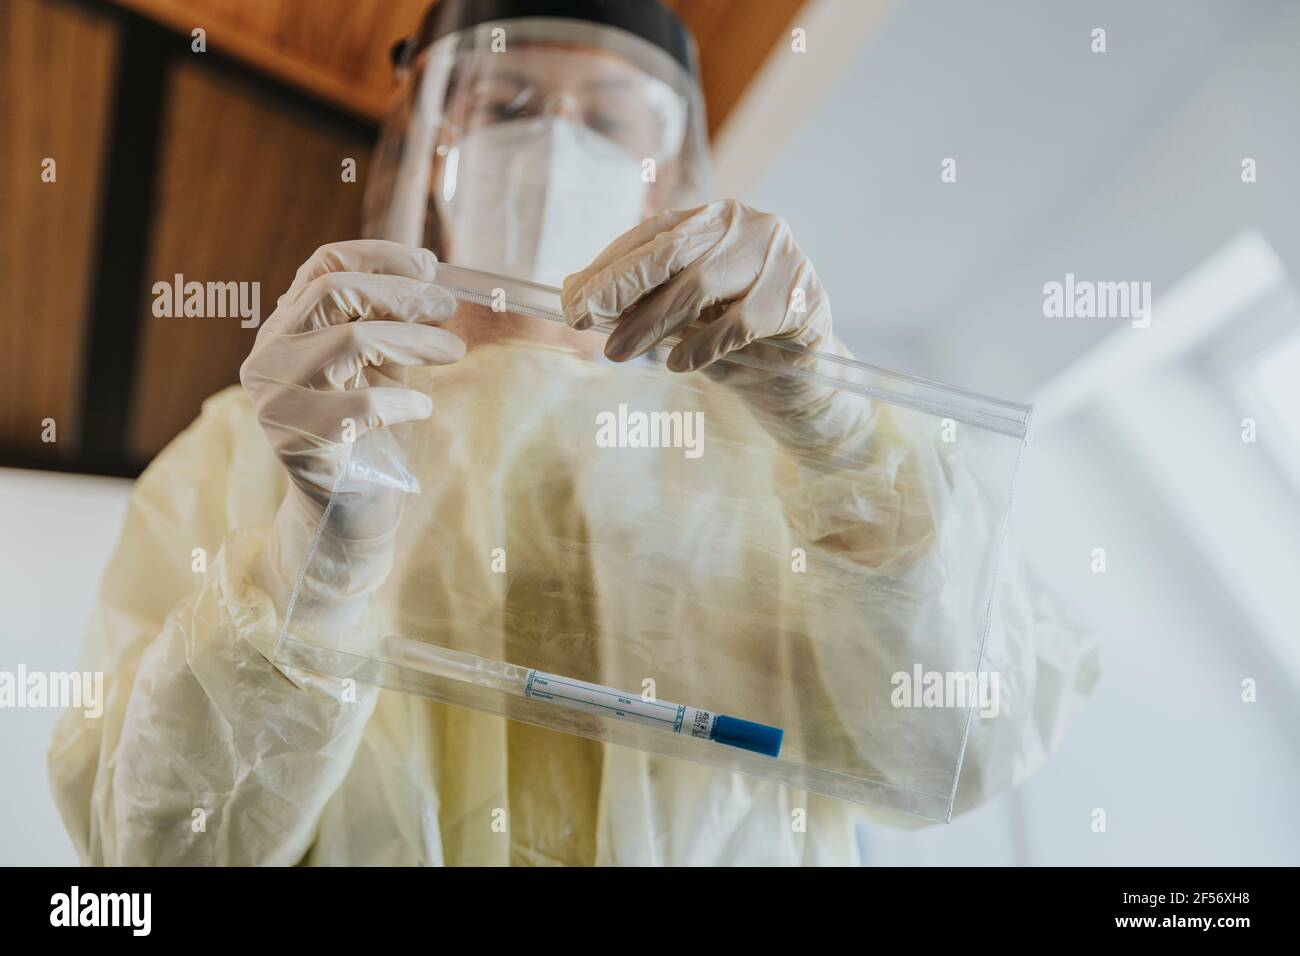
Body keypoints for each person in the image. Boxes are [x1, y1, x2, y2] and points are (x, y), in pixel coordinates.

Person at [48, 0, 1099, 865]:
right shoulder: (267, 438)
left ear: (667, 168)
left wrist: (846, 451)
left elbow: (966, 747)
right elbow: (147, 850)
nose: (553, 141)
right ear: (433, 148)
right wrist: (304, 569)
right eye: (504, 102)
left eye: (608, 120)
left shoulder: (778, 431)